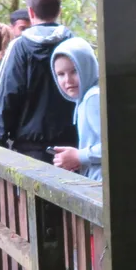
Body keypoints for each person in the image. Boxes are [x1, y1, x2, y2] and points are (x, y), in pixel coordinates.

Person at [0, 0, 77, 161]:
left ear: (30, 12)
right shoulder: (75, 44)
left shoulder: (19, 48)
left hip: (30, 148)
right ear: (59, 11)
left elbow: (7, 95)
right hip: (72, 148)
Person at [50, 37, 101, 180]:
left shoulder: (93, 98)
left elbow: (116, 144)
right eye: (61, 74)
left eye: (74, 71)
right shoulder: (85, 99)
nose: (68, 80)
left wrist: (79, 156)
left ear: (87, 67)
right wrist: (74, 159)